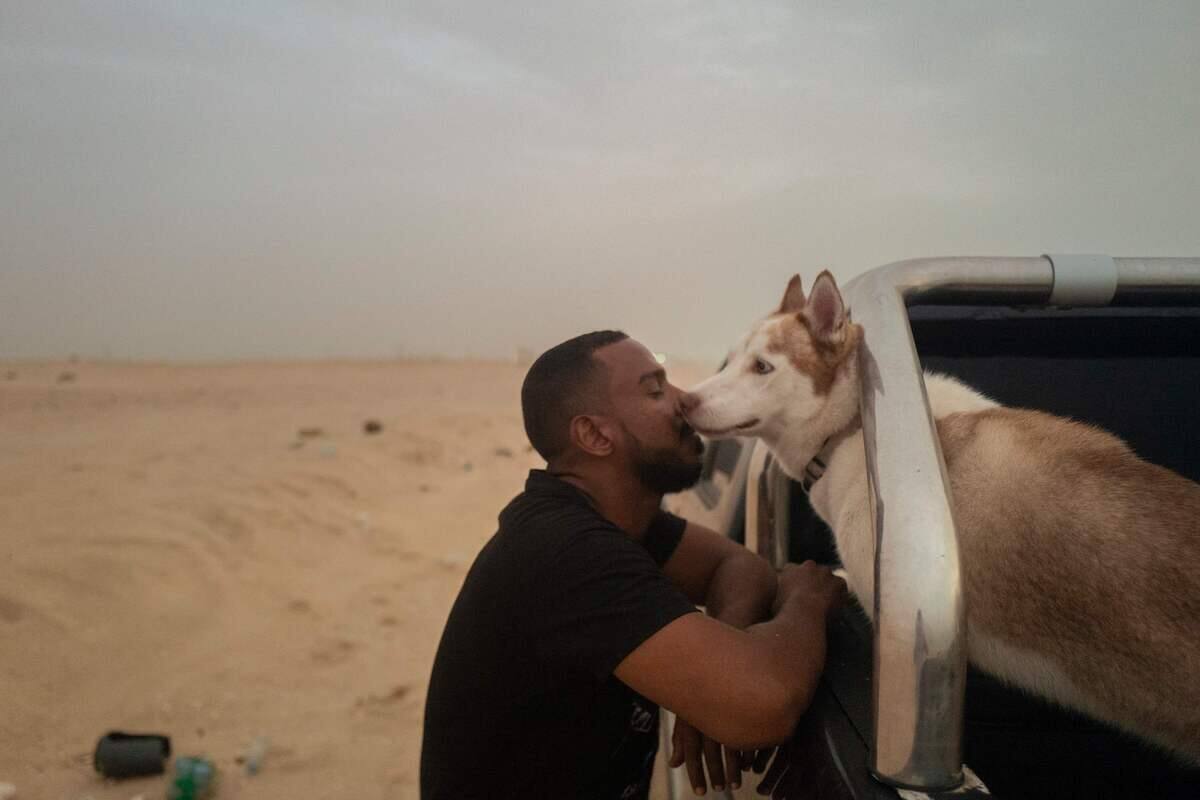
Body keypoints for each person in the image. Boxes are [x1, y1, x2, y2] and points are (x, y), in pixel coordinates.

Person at [420, 331, 846, 799]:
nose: (685, 400)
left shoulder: (613, 522)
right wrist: (807, 600)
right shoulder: (568, 551)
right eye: (655, 390)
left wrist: (713, 670)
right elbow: (766, 703)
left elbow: (739, 566)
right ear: (595, 435)